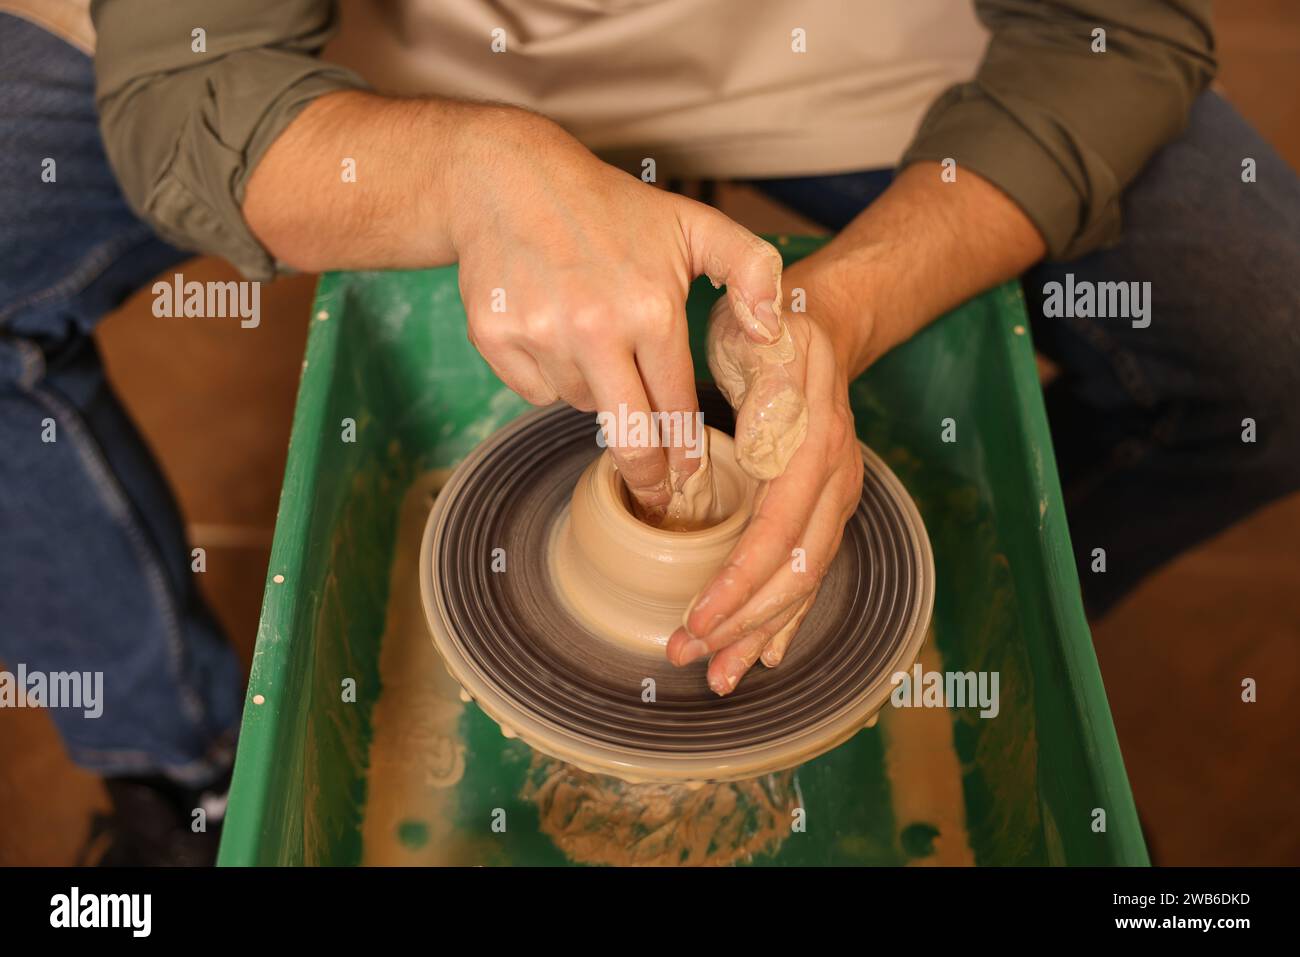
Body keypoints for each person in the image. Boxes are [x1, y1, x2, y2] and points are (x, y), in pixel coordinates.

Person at [2, 0, 1297, 861]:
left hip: (829, 39)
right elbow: (192, 77)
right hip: (349, 43)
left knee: (1272, 343)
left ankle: (950, 609)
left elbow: (1117, 29)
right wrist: (470, 172)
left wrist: (837, 316)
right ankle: (185, 764)